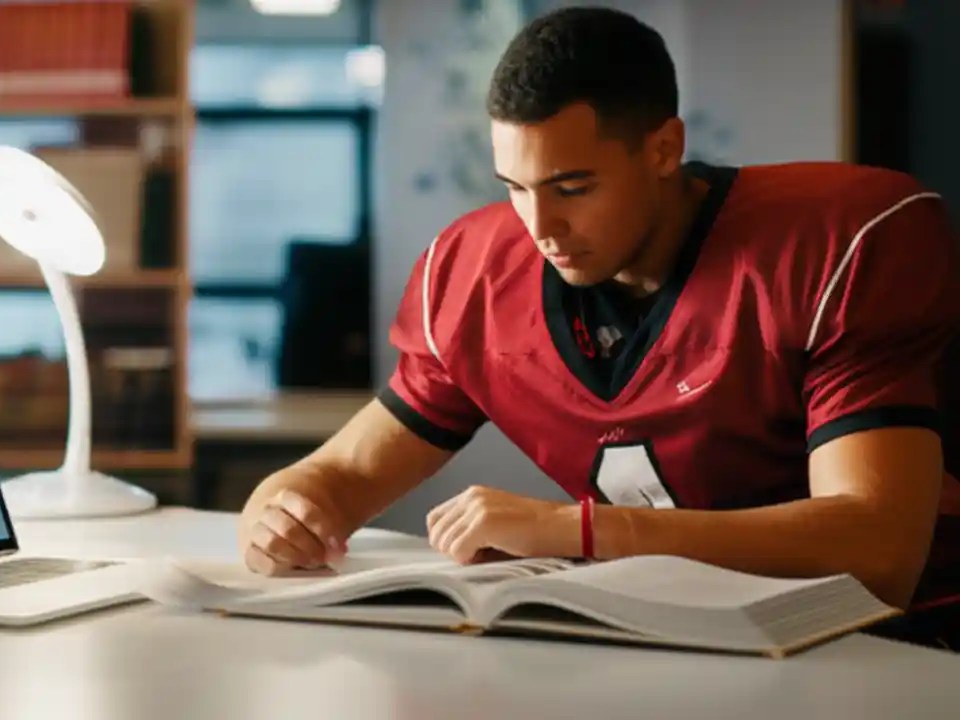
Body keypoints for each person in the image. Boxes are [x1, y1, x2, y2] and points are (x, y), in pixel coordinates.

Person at [236, 6, 960, 649]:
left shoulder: (836, 244)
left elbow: (880, 549)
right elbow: (345, 474)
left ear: (663, 150)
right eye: (516, 188)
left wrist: (580, 533)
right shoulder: (476, 273)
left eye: (572, 188)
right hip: (673, 643)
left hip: (900, 644)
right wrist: (284, 512)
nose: (539, 227)